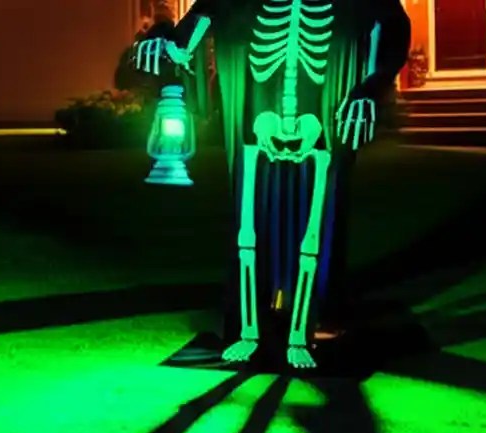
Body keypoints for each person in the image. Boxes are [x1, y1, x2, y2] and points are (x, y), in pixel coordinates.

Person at [135, 0, 410, 370]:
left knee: (319, 211)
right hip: (259, 116)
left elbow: (390, 25)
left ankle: (309, 325)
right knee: (248, 224)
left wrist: (371, 85)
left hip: (320, 116)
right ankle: (250, 330)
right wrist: (166, 43)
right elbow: (195, 26)